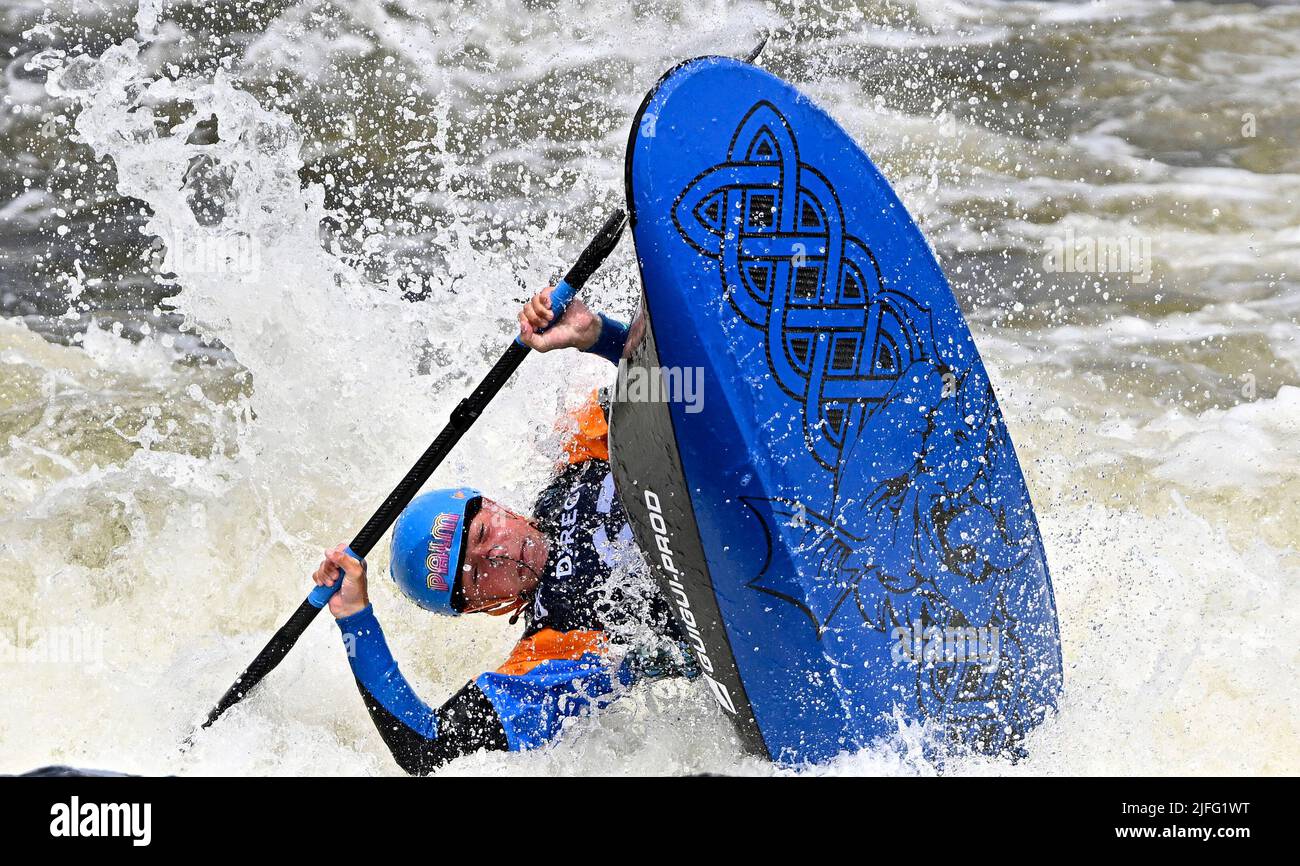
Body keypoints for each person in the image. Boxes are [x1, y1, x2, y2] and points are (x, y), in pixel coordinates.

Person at [310, 288, 692, 774]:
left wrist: (598, 336)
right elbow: (426, 750)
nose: (492, 557)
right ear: (481, 608)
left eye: (480, 534)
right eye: (471, 577)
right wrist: (353, 615)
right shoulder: (551, 649)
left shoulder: (577, 456)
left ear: (495, 506)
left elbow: (680, 385)